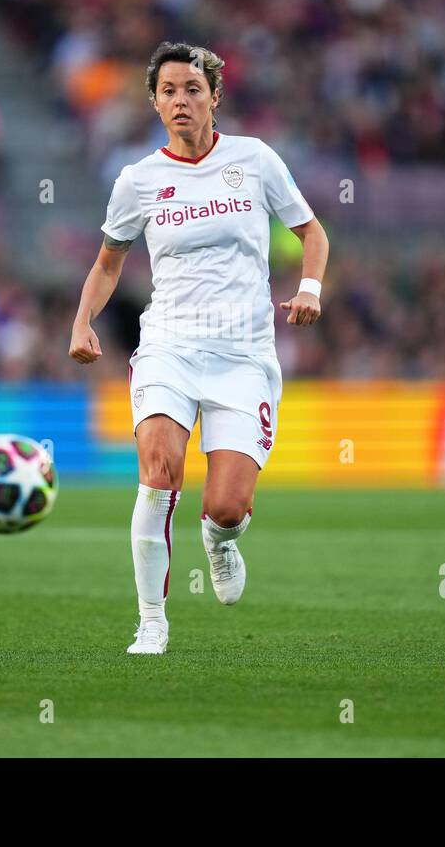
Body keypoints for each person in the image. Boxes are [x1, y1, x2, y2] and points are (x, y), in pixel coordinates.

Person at [69, 42, 329, 654]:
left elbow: (311, 232)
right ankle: (152, 622)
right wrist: (83, 323)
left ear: (215, 95)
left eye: (192, 88)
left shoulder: (255, 160)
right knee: (159, 474)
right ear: (154, 103)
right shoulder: (138, 180)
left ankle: (221, 539)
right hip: (169, 345)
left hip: (244, 353)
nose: (181, 100)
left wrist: (310, 288)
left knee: (229, 504)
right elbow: (109, 263)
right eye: (168, 91)